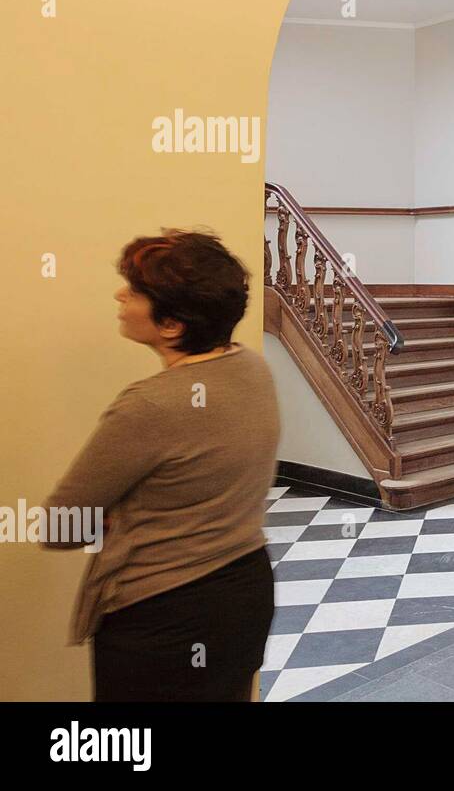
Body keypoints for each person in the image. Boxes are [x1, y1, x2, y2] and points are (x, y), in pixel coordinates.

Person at [41, 229, 280, 701]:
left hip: (163, 617)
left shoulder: (150, 405)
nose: (120, 294)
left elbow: (58, 525)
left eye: (133, 290)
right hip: (244, 591)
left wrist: (121, 514)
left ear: (171, 324)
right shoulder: (252, 369)